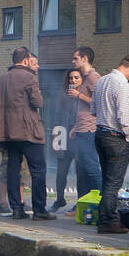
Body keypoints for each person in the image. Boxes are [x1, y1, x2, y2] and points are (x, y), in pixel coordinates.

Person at [0, 47, 54, 220]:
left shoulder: (1, 79)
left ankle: (16, 209)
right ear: (26, 60)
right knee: (38, 170)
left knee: (13, 169)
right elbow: (38, 102)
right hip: (28, 132)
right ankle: (39, 210)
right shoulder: (29, 77)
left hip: (8, 133)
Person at [92, 54, 129, 233]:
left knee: (106, 180)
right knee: (114, 183)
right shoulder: (122, 84)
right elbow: (123, 118)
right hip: (116, 137)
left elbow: (93, 109)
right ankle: (109, 221)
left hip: (100, 134)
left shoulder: (101, 81)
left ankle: (104, 217)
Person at [68, 47, 103, 196]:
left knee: (91, 167)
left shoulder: (93, 77)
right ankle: (82, 205)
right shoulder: (85, 77)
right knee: (81, 169)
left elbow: (100, 103)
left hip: (90, 130)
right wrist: (75, 127)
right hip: (81, 129)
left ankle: (101, 202)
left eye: (75, 58)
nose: (72, 61)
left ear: (85, 59)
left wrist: (78, 96)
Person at [50, 69, 82, 212]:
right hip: (63, 135)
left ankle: (80, 202)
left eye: (76, 78)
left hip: (79, 137)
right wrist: (55, 138)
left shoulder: (85, 95)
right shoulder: (63, 96)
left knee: (80, 171)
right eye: (71, 78)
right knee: (61, 171)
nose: (73, 81)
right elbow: (57, 117)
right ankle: (60, 199)